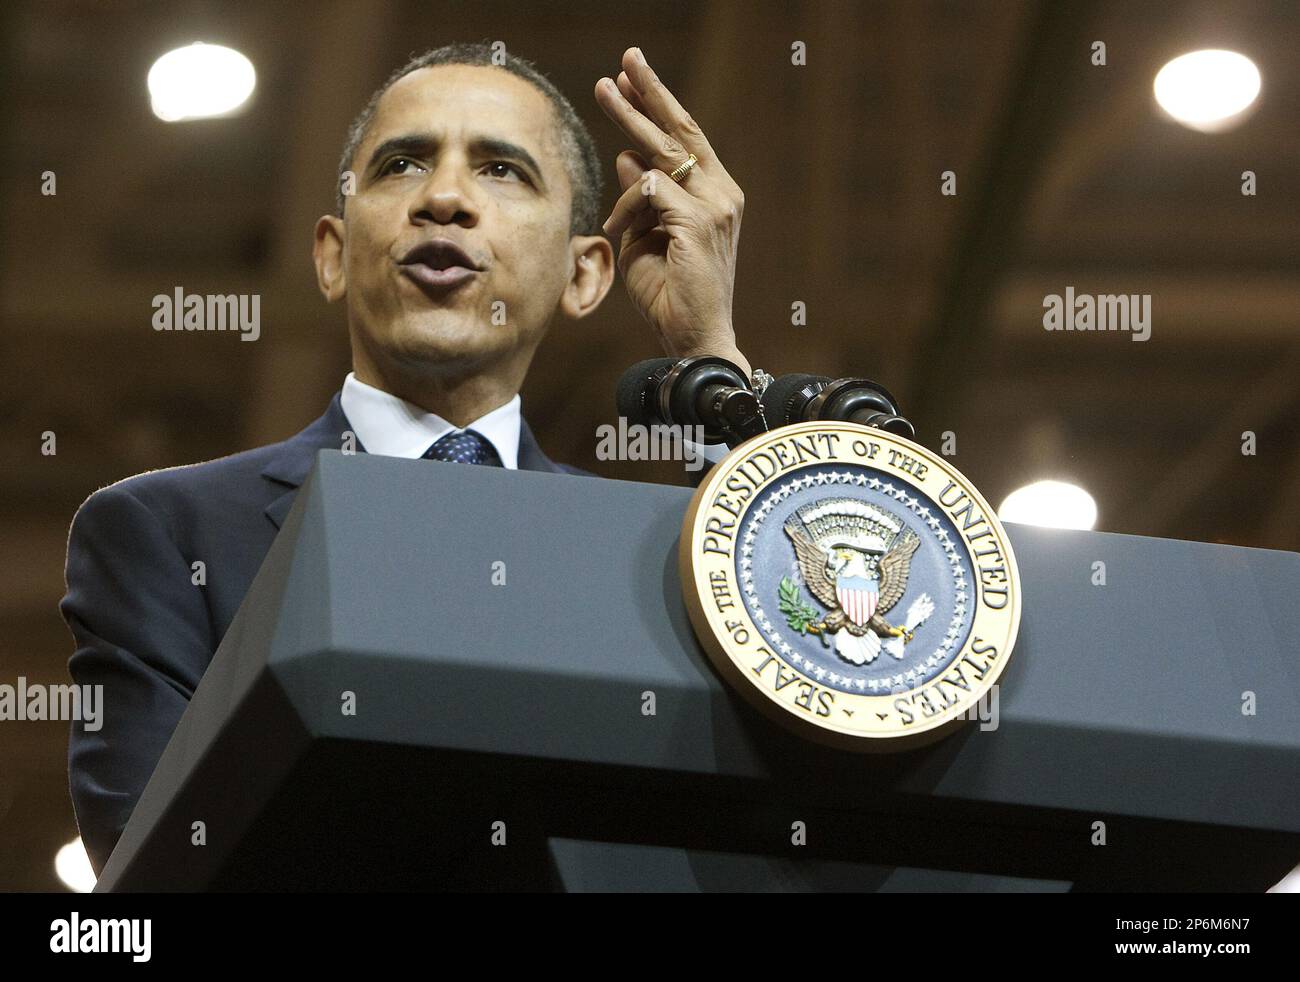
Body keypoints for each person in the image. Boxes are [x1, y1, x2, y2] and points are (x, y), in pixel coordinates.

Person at [60, 41, 751, 875]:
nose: (446, 199)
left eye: (502, 170)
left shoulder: (655, 559)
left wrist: (710, 351)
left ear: (586, 274)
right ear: (329, 255)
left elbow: (769, 806)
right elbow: (157, 865)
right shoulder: (165, 536)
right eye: (400, 165)